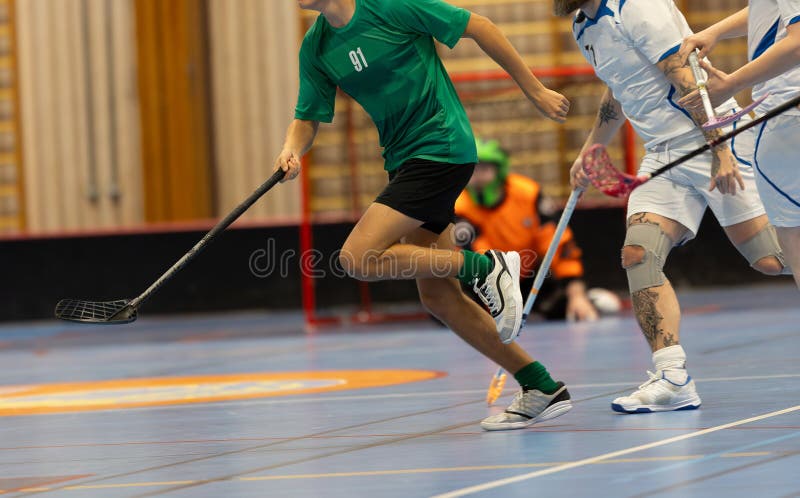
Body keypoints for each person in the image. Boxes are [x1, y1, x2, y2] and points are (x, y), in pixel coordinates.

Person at [276, 0, 573, 431]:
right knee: (439, 297)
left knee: (357, 257)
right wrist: (291, 149)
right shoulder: (316, 47)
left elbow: (480, 26)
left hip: (440, 146)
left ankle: (484, 267)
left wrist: (535, 90)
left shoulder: (389, 6)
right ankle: (540, 385)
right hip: (403, 161)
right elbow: (306, 117)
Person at [555, 0, 792, 413]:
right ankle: (672, 377)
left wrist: (721, 150)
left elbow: (686, 76)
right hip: (662, 156)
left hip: (711, 140)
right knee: (638, 254)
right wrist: (591, 149)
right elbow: (619, 90)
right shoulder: (583, 26)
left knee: (772, 260)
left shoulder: (636, 7)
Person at [678, 1, 800, 289]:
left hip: (787, 116)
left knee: (794, 242)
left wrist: (732, 84)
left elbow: (797, 43)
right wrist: (717, 31)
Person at [455, 138, 601, 322]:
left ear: (499, 171)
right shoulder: (457, 204)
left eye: (483, 169)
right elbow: (477, 256)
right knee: (451, 310)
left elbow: (557, 243)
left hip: (528, 276)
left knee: (563, 307)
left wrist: (576, 294)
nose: (477, 177)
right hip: (482, 283)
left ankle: (586, 298)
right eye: (471, 169)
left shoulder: (527, 193)